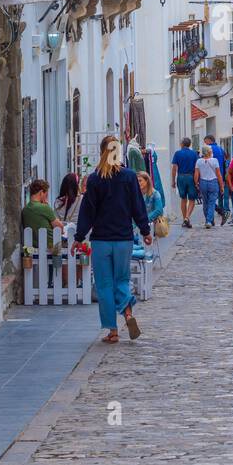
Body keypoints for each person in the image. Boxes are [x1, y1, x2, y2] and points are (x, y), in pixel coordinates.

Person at [75, 136, 151, 343]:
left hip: (101, 240)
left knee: (104, 285)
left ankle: (112, 330)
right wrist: (145, 230)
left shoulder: (95, 178)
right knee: (122, 280)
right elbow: (138, 206)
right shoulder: (128, 177)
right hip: (124, 239)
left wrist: (79, 236)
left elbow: (87, 211)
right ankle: (127, 314)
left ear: (101, 152)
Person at [194, 144, 224, 228]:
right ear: (209, 152)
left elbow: (196, 174)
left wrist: (196, 183)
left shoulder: (199, 161)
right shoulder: (214, 160)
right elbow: (218, 175)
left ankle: (210, 219)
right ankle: (208, 220)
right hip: (213, 182)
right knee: (212, 202)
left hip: (203, 182)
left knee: (205, 202)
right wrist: (221, 186)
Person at [171, 137, 198, 227]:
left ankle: (184, 219)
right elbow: (197, 168)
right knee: (192, 199)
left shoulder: (177, 153)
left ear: (182, 144)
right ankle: (187, 217)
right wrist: (197, 180)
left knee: (183, 199)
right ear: (189, 144)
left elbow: (174, 168)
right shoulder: (194, 154)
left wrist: (173, 180)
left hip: (181, 177)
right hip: (191, 177)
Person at [204, 134, 229, 223]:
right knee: (217, 196)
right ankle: (217, 213)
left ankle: (219, 212)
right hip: (219, 175)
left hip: (208, 177)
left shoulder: (208, 150)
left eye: (205, 141)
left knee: (208, 199)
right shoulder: (220, 149)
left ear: (209, 140)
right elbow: (224, 160)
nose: (205, 143)